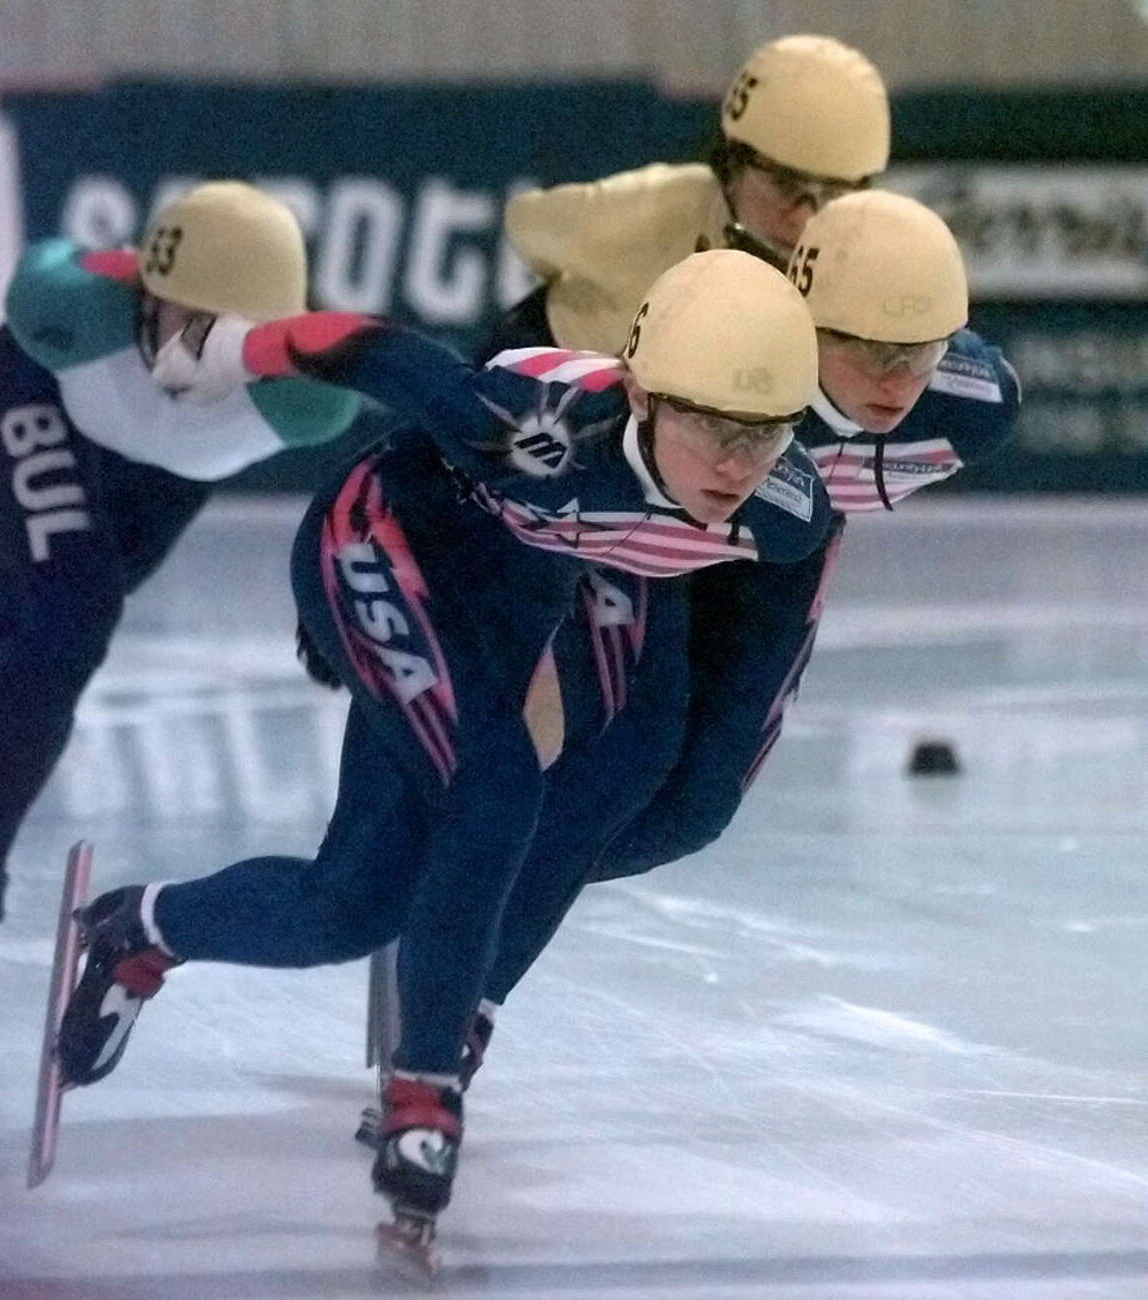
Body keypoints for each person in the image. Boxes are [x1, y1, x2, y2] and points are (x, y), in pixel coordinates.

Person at [53, 248, 831, 1232]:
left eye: (763, 435)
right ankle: (426, 1091)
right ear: (638, 393)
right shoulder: (537, 427)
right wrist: (225, 345)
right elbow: (366, 349)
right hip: (375, 544)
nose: (734, 464)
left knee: (348, 908)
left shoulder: (784, 509)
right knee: (499, 787)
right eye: (712, 428)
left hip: (500, 604)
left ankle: (139, 928)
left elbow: (630, 574)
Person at [463, 190, 1022, 1078]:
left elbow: (833, 483)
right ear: (802, 325)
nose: (895, 382)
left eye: (917, 354)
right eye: (867, 352)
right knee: (624, 759)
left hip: (782, 539)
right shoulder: (729, 351)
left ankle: (456, 896)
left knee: (691, 813)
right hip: (662, 515)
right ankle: (460, 1006)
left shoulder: (973, 400)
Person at [0, 181, 361, 973]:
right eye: (180, 322)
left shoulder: (313, 398)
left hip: (163, 471)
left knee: (18, 608)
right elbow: (49, 262)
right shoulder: (65, 307)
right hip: (39, 390)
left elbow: (399, 460)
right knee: (73, 602)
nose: (193, 356)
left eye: (229, 338)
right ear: (140, 293)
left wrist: (330, 593)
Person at [489, 32, 890, 360]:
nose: (803, 219)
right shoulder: (656, 207)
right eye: (786, 186)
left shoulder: (868, 250)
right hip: (558, 366)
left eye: (833, 195)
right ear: (732, 166)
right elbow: (525, 224)